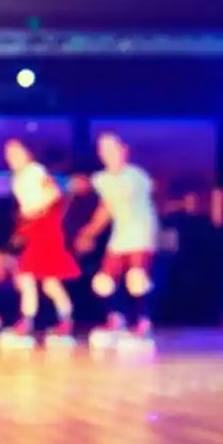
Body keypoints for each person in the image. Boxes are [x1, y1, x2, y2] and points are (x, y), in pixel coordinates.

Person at [74, 132, 159, 348]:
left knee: (136, 279)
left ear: (124, 150)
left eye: (112, 148)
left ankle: (142, 324)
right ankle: (116, 320)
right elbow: (107, 208)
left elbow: (139, 200)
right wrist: (89, 232)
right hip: (120, 235)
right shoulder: (102, 180)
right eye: (103, 149)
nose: (108, 154)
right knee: (103, 283)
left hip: (141, 233)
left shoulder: (137, 177)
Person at [0, 138, 79, 345]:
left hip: (45, 229)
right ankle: (40, 321)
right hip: (33, 229)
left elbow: (54, 192)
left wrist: (37, 210)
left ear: (27, 153)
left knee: (44, 280)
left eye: (16, 152)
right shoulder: (17, 178)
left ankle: (42, 322)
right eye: (8, 154)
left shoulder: (35, 171)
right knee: (36, 279)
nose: (11, 158)